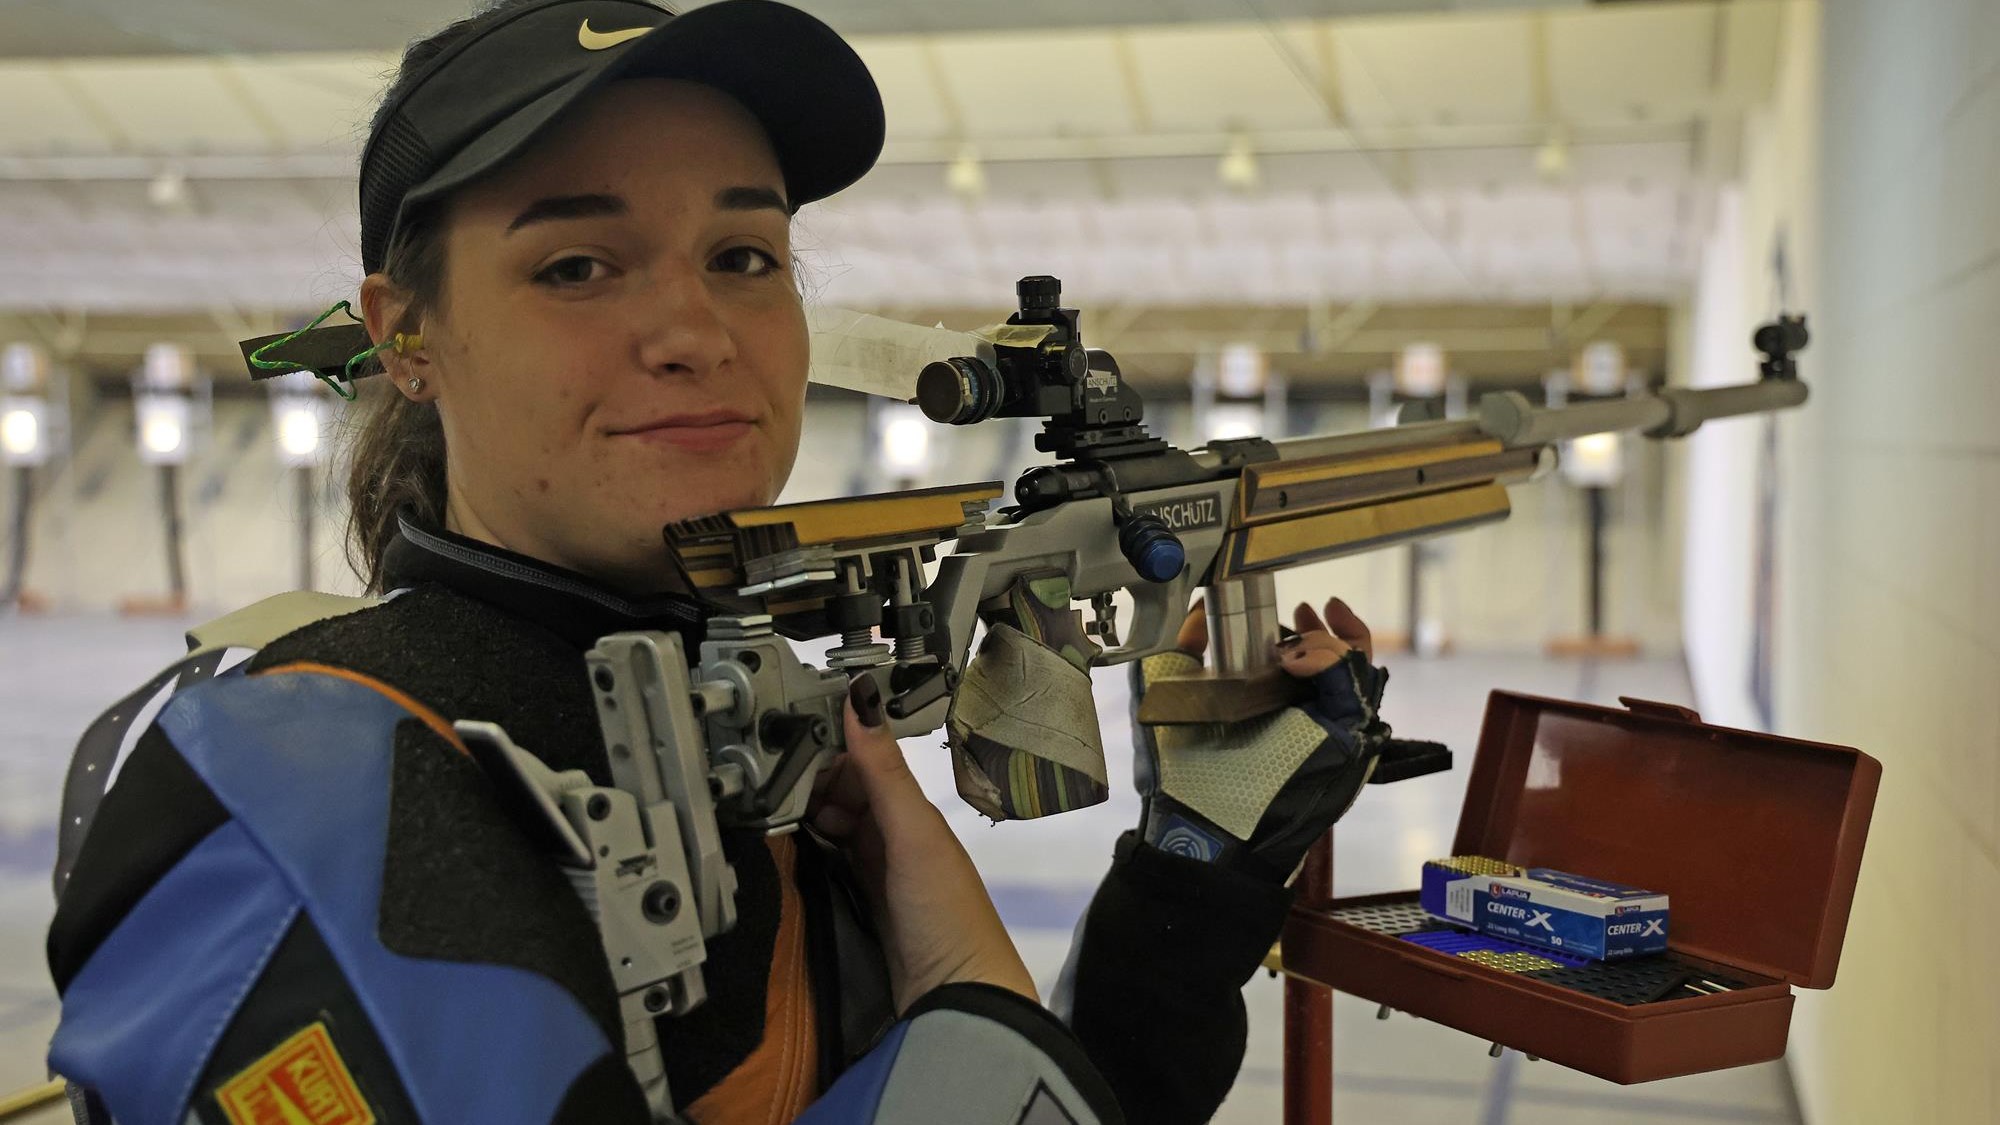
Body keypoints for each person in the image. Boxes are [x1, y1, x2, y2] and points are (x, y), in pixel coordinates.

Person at [43, 2, 1396, 1122]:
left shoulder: (737, 718)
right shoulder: (297, 797)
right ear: (406, 338)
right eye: (576, 265)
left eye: (744, 253)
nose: (697, 327)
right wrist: (972, 993)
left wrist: (1191, 877)